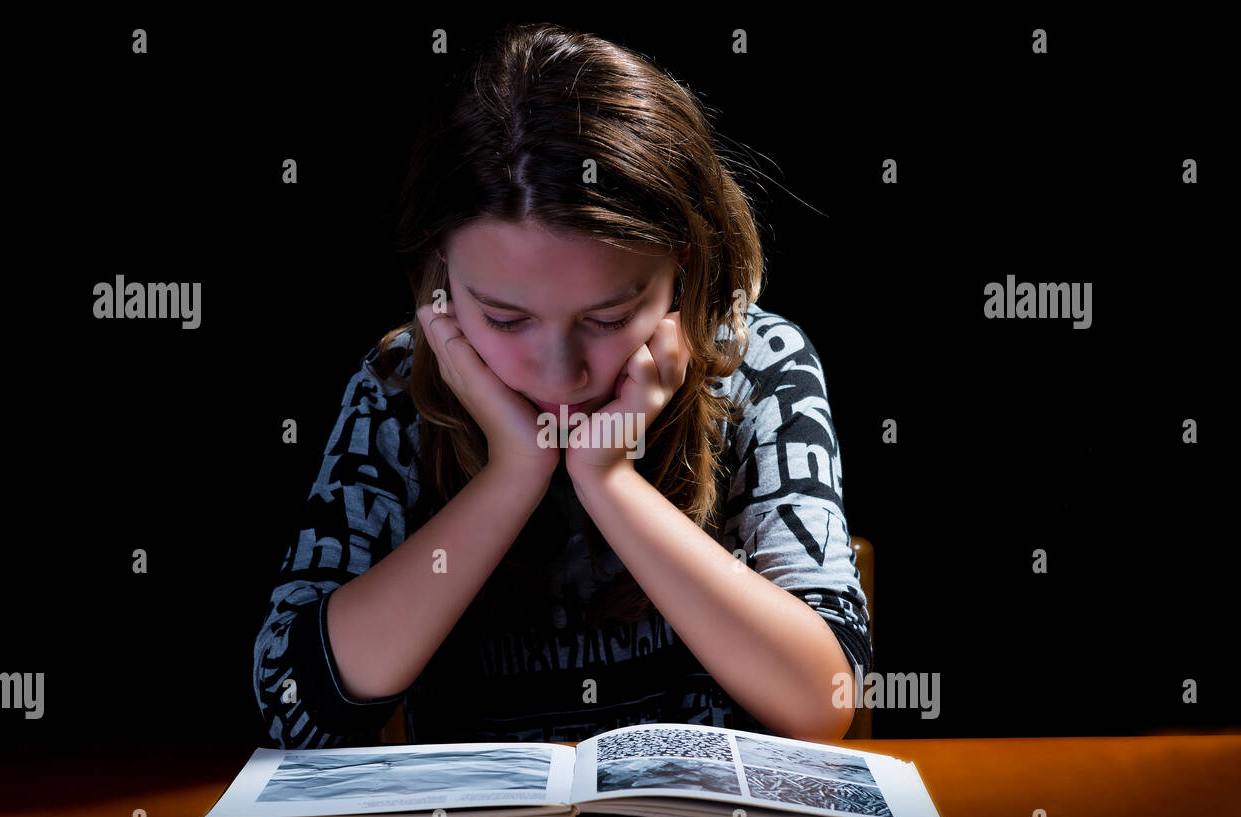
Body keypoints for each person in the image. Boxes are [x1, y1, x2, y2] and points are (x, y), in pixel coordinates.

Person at [252, 22, 871, 749]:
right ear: (442, 279)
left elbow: (823, 700)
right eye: (505, 318)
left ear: (683, 268)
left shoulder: (758, 364)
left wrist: (608, 480)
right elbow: (294, 703)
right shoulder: (397, 386)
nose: (559, 372)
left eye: (608, 316)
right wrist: (513, 474)